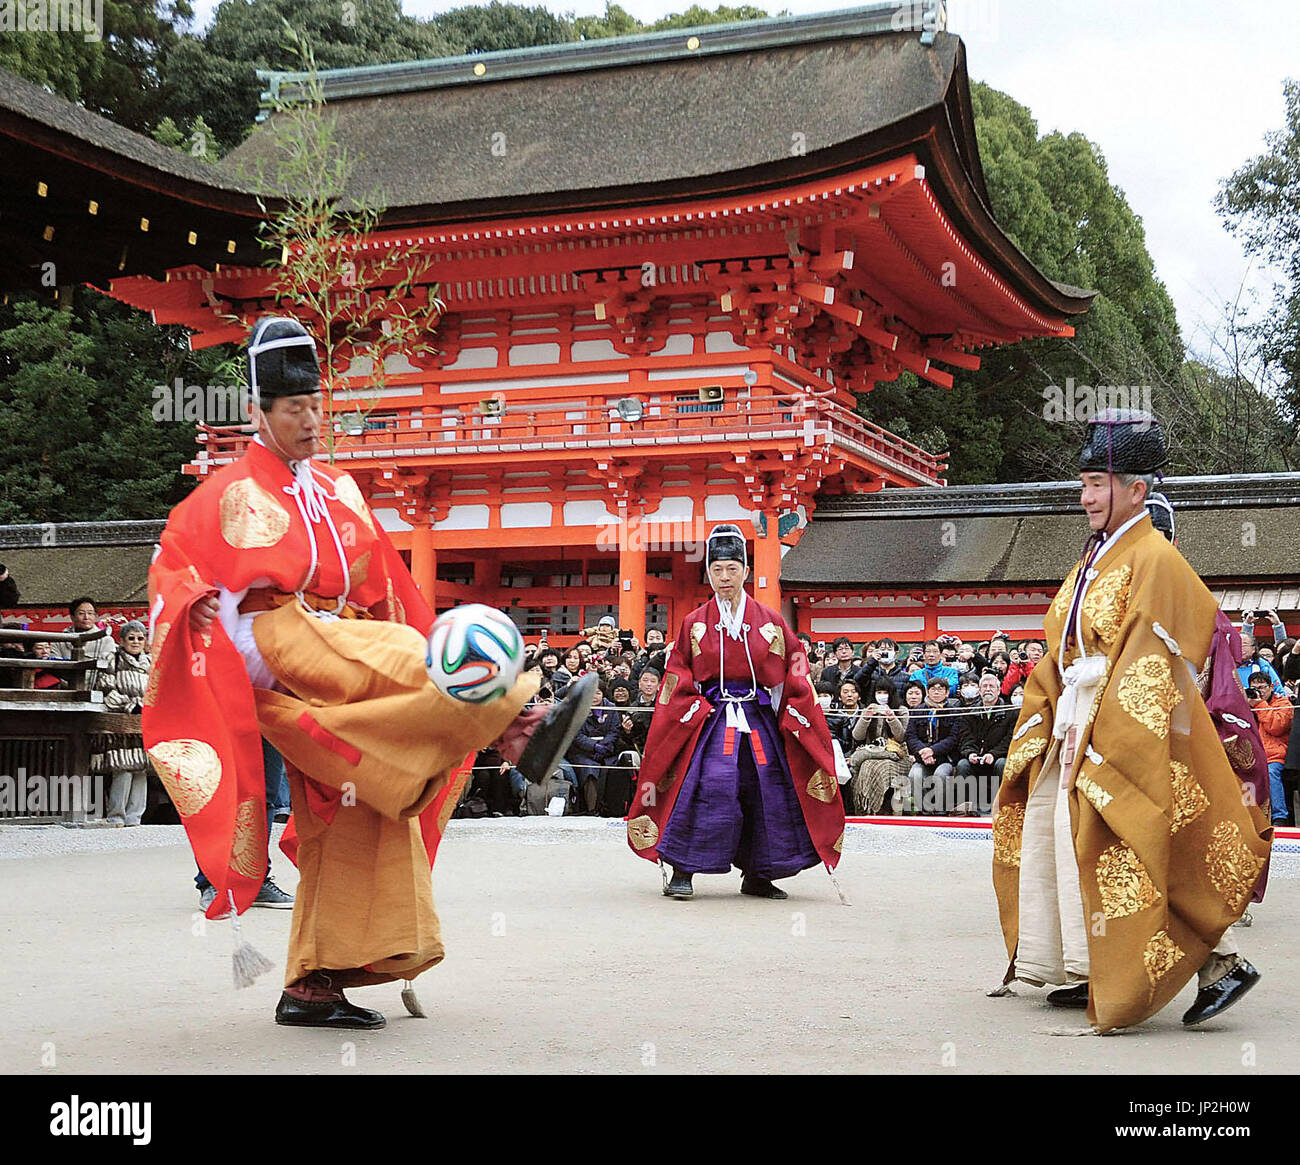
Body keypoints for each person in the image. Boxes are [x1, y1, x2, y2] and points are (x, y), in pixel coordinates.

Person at [144, 317, 596, 1029]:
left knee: (361, 800)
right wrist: (196, 605)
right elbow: (174, 560)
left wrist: (425, 633)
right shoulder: (228, 493)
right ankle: (516, 724)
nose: (311, 420)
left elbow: (388, 586)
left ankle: (311, 981)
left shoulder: (338, 490)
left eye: (317, 405)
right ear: (260, 410)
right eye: (295, 408)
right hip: (276, 641)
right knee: (399, 659)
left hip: (336, 632)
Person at [991, 409, 1269, 1032]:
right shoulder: (1097, 555)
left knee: (1138, 837)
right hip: (1080, 716)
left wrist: (1108, 733)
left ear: (1137, 490)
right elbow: (1061, 648)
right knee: (1070, 838)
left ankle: (1220, 963)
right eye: (1084, 482)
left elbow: (1154, 663)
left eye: (1098, 483)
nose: (1085, 496)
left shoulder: (1155, 558)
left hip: (1130, 725)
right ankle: (1093, 963)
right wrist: (1047, 707)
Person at [625, 523, 844, 900]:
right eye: (716, 569)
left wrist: (790, 714)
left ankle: (759, 873)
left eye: (732, 568)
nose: (724, 577)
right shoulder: (694, 623)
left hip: (758, 718)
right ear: (707, 572)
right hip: (711, 718)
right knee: (707, 788)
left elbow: (793, 670)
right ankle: (684, 868)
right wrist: (695, 706)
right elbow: (677, 675)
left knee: (766, 790)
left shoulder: (770, 622)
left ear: (745, 570)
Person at [95, 621, 152, 826]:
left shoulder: (150, 662)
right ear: (122, 640)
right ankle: (116, 815)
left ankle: (135, 816)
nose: (136, 642)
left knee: (141, 768)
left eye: (140, 638)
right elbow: (105, 687)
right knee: (123, 767)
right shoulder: (113, 659)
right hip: (121, 719)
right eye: (131, 638)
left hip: (145, 720)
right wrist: (129, 705)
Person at [953, 671, 1013, 815]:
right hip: (977, 759)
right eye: (984, 686)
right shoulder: (969, 712)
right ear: (979, 690)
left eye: (991, 686)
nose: (987, 689)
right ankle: (966, 808)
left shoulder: (1010, 712)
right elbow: (965, 738)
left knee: (1002, 765)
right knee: (963, 765)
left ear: (998, 690)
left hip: (997, 757)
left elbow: (1009, 739)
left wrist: (994, 754)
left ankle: (1000, 807)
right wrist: (970, 753)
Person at [847, 679, 909, 814]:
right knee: (866, 766)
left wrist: (892, 718)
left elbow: (901, 737)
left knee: (874, 767)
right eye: (879, 692)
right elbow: (857, 736)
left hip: (896, 755)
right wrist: (866, 717)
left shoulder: (901, 710)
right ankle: (863, 807)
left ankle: (876, 806)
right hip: (872, 752)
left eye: (885, 692)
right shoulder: (868, 708)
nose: (882, 695)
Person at [905, 676, 960, 814]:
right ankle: (924, 811)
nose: (936, 692)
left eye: (940, 689)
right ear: (927, 691)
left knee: (940, 775)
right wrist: (923, 752)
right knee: (914, 776)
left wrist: (932, 751)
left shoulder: (954, 711)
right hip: (922, 758)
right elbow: (911, 737)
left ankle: (941, 811)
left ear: (947, 693)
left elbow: (953, 738)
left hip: (944, 758)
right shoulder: (917, 711)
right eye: (933, 689)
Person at [1248, 671, 1292, 831]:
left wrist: (1259, 705)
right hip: (1252, 755)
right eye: (1254, 688)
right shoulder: (1247, 704)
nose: (1259, 691)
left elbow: (1277, 727)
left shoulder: (1283, 703)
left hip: (1275, 756)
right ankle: (1249, 816)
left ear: (1271, 687)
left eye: (1262, 687)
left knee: (1271, 772)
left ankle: (1279, 817)